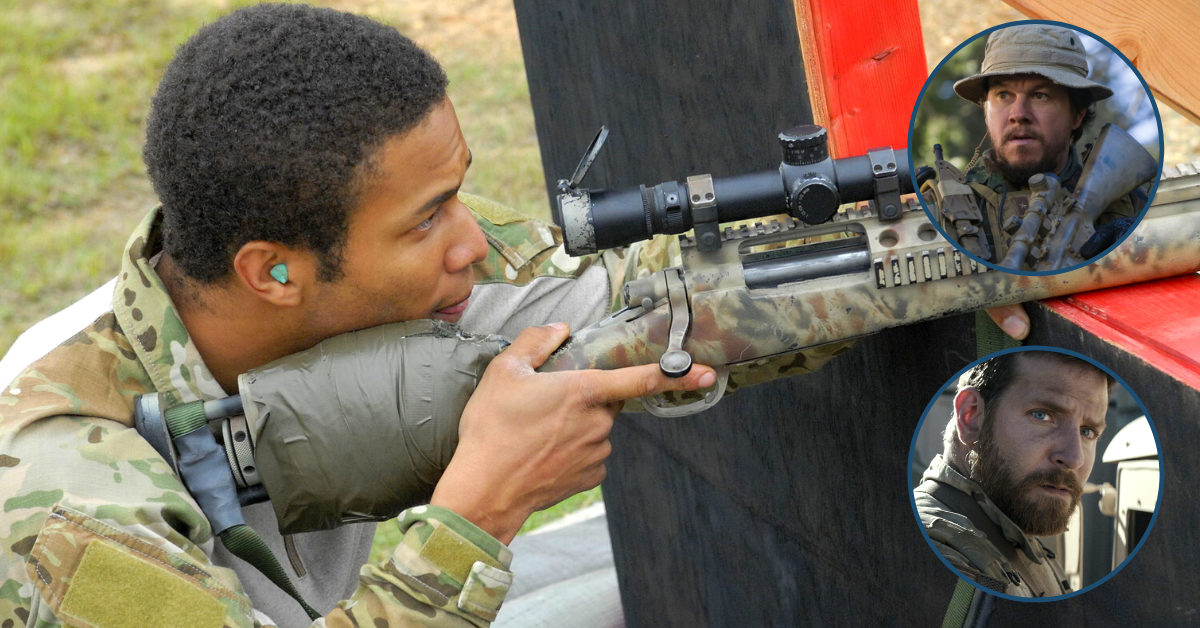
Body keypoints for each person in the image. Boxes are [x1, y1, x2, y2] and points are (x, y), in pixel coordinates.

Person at [0, 5, 846, 627]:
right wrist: (479, 512)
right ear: (274, 270)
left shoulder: (415, 273)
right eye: (426, 217)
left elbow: (656, 297)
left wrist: (925, 260)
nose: (474, 242)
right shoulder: (60, 496)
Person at [919, 24, 1147, 268]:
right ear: (986, 113)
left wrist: (1144, 244)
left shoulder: (1129, 204)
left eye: (1040, 95)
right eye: (1003, 95)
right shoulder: (939, 208)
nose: (1018, 114)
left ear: (1077, 115)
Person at [914, 350, 1113, 597]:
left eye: (1088, 432)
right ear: (972, 417)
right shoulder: (938, 549)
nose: (1074, 458)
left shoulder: (1013, 528)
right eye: (1042, 415)